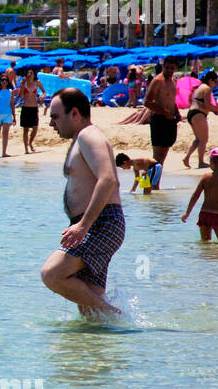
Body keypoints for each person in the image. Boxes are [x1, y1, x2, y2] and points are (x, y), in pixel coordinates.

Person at [41, 88, 124, 318]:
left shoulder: (90, 136)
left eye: (55, 117)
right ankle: (98, 348)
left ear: (74, 113)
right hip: (96, 222)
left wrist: (83, 225)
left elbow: (108, 180)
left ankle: (116, 314)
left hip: (99, 223)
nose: (51, 124)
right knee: (90, 312)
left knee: (52, 274)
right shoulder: (82, 138)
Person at [181, 147, 218, 241]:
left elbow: (195, 196)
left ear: (214, 163)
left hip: (204, 214)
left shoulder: (206, 177)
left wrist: (187, 213)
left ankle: (207, 256)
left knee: (205, 244)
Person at [143, 58, 181, 185]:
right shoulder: (158, 81)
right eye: (167, 68)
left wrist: (177, 113)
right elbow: (147, 102)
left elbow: (172, 100)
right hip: (159, 119)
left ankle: (155, 184)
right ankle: (150, 185)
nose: (169, 70)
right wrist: (165, 112)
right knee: (157, 155)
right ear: (163, 67)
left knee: (163, 154)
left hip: (170, 120)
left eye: (172, 68)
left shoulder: (174, 81)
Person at [182, 70, 218, 168]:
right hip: (198, 114)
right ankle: (201, 162)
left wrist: (214, 110)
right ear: (210, 80)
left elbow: (204, 104)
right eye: (216, 81)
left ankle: (187, 158)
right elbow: (207, 104)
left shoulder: (201, 87)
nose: (216, 84)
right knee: (203, 140)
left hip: (193, 114)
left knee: (198, 139)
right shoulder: (206, 88)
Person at [17, 69, 44, 154]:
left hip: (34, 108)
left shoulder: (37, 82)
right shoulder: (23, 83)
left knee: (35, 128)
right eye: (28, 73)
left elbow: (44, 92)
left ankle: (30, 142)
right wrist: (21, 87)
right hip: (26, 108)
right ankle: (26, 149)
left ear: (34, 74)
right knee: (26, 129)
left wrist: (43, 96)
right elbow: (20, 96)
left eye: (31, 73)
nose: (29, 74)